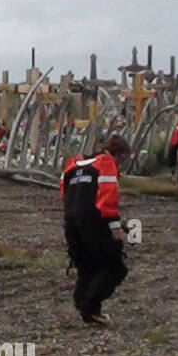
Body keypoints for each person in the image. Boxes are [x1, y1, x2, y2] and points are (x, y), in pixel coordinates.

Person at [60, 135, 131, 326]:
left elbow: (63, 191)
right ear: (116, 154)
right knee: (114, 267)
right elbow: (107, 198)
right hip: (94, 220)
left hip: (71, 220)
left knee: (86, 265)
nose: (121, 165)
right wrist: (115, 228)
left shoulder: (73, 163)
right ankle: (90, 304)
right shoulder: (106, 164)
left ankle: (85, 306)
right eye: (122, 159)